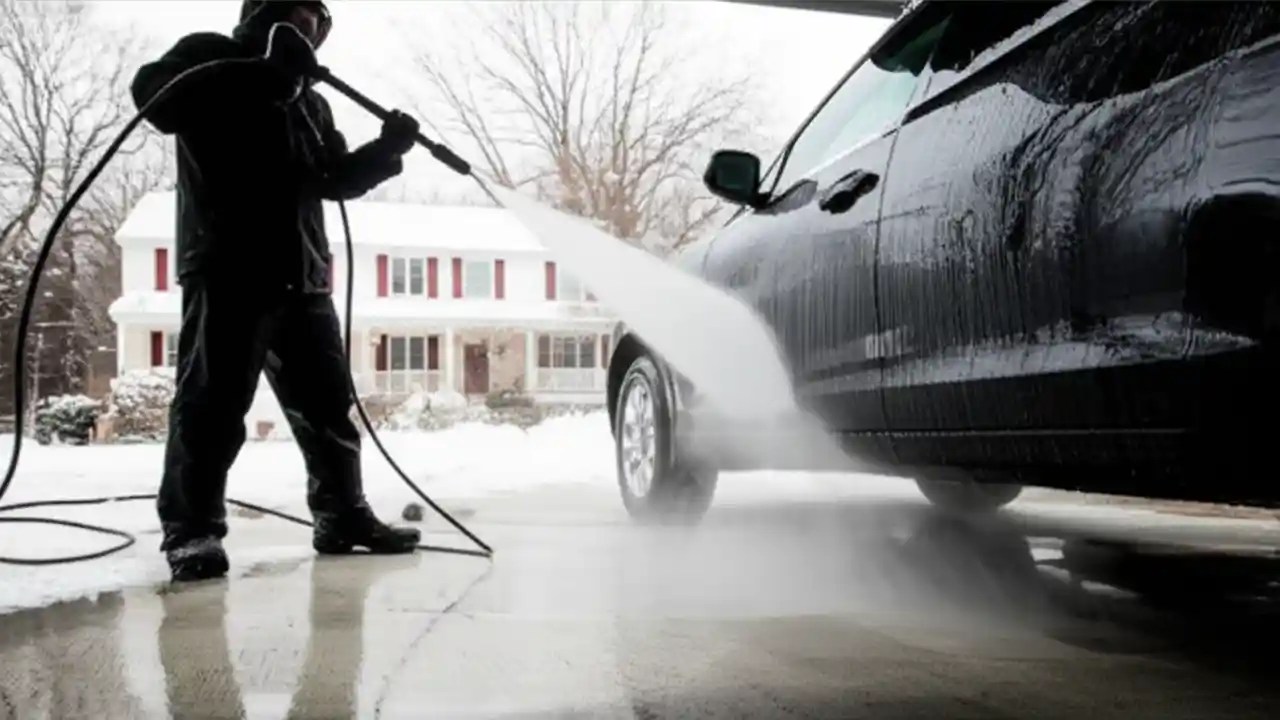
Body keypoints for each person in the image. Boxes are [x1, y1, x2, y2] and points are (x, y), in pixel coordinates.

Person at [131, 0, 421, 582]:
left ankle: (342, 517)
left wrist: (386, 150)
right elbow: (154, 98)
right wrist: (263, 76)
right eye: (295, 13)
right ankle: (192, 532)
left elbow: (333, 180)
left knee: (328, 411)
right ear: (261, 14)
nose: (308, 26)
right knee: (211, 407)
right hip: (229, 268)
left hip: (304, 276)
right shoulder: (209, 56)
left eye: (317, 19)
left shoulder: (311, 101)